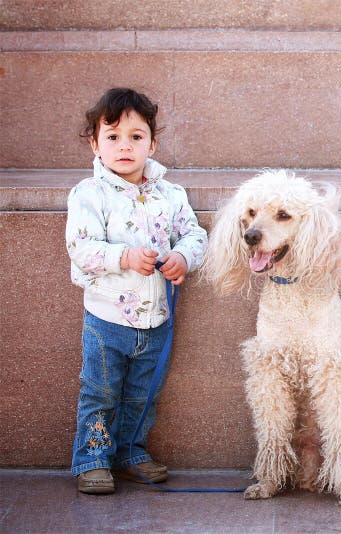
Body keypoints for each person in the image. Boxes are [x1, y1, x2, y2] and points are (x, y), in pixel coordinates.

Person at [66, 88, 208, 494]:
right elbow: (81, 248)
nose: (124, 146)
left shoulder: (170, 194)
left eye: (136, 136)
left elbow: (195, 235)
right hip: (107, 319)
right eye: (112, 137)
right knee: (101, 391)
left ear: (152, 143)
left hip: (156, 319)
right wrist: (125, 256)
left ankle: (130, 452)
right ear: (95, 144)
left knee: (143, 394)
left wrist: (182, 257)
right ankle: (93, 457)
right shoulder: (89, 194)